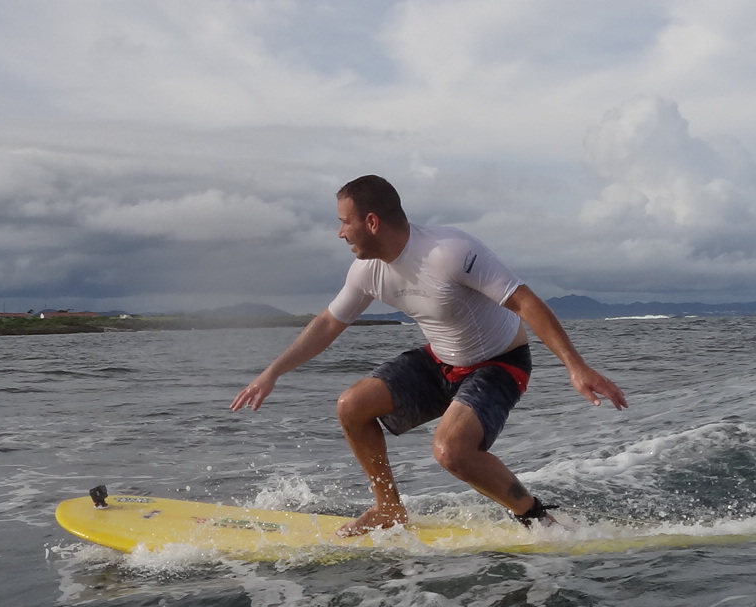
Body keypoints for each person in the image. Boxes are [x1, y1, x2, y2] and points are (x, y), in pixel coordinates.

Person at [230, 175, 627, 535]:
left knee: (451, 451)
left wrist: (576, 367)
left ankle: (537, 519)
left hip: (499, 363)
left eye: (343, 222)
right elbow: (328, 324)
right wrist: (273, 372)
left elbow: (524, 301)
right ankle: (389, 508)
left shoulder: (450, 251)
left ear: (371, 222)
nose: (339, 233)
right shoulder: (367, 271)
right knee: (352, 406)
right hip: (441, 361)